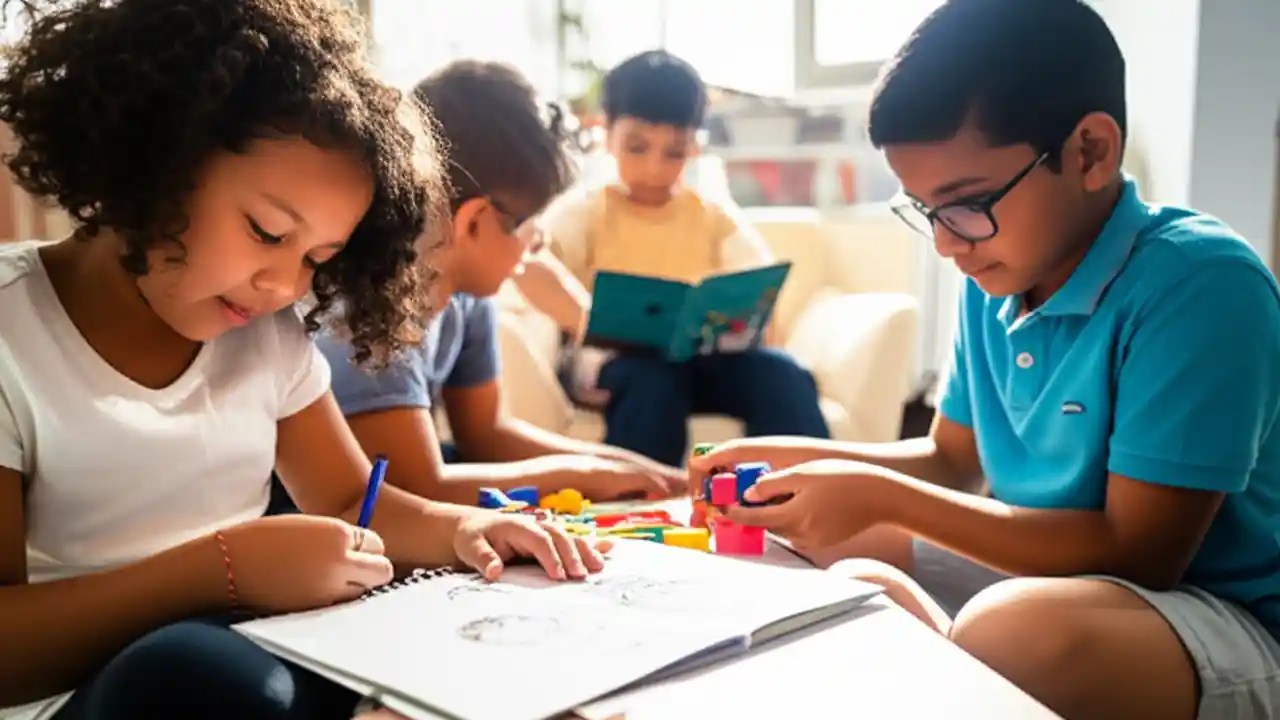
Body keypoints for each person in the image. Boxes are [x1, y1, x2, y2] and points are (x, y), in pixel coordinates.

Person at [0, 3, 604, 719]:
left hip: (254, 648)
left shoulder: (265, 333)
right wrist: (221, 569)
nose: (285, 286)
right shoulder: (13, 329)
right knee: (189, 671)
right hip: (97, 694)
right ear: (157, 159)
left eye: (318, 259)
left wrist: (460, 530)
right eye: (266, 232)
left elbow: (352, 502)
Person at [692, 1, 1280, 718]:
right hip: (1066, 580)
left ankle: (955, 661)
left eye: (966, 203)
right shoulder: (998, 269)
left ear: (1090, 152)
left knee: (1014, 632)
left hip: (1218, 613)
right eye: (925, 211)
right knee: (845, 537)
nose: (946, 243)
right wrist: (795, 461)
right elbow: (950, 460)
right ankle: (953, 665)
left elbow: (1139, 555)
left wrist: (882, 494)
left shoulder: (1201, 283)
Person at [315, 60, 685, 507]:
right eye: (531, 229)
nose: (537, 245)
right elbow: (416, 490)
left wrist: (630, 469)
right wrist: (581, 476)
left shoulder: (466, 298)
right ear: (474, 222)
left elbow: (486, 434)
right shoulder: (370, 315)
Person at [521, 50, 830, 467]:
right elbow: (529, 265)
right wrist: (585, 320)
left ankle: (806, 490)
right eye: (637, 147)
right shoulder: (586, 211)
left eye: (674, 152)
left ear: (694, 147)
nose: (654, 168)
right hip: (616, 366)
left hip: (704, 363)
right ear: (606, 134)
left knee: (783, 373)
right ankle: (641, 499)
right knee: (651, 383)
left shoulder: (713, 217)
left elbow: (758, 288)